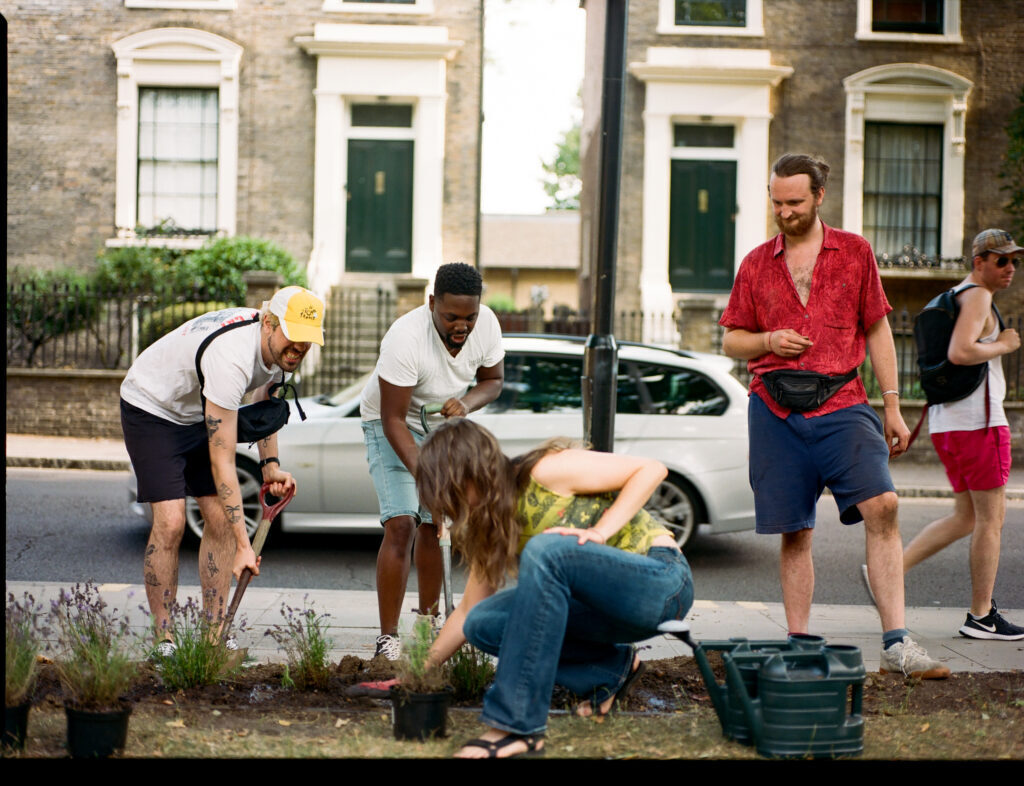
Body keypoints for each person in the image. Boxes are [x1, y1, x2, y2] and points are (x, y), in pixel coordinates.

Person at [719, 152, 949, 679]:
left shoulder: (855, 252)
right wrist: (769, 339)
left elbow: (878, 329)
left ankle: (898, 643)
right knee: (796, 531)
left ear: (819, 196)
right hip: (774, 409)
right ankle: (800, 642)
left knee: (884, 505)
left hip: (843, 401)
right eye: (777, 202)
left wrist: (891, 404)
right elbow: (732, 338)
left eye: (795, 202)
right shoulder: (756, 262)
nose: (785, 211)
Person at [415, 419, 693, 758]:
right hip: (599, 612)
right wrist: (418, 671)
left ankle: (516, 728)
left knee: (547, 550)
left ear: (475, 470)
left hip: (660, 584)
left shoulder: (544, 471)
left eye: (454, 493)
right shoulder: (490, 525)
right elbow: (467, 612)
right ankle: (610, 671)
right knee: (483, 623)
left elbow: (651, 470)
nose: (453, 507)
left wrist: (601, 532)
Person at [120, 286, 325, 655]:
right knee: (170, 521)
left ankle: (213, 635)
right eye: (294, 336)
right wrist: (245, 546)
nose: (300, 347)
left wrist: (270, 467)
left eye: (308, 340)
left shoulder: (280, 354)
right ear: (269, 323)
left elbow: (266, 404)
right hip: (152, 407)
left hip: (196, 411)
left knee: (217, 519)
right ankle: (163, 640)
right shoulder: (231, 359)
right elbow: (223, 462)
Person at [359, 263, 504, 660]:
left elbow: (493, 381)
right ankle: (388, 637)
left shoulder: (486, 326)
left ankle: (428, 624)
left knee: (434, 525)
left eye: (470, 316)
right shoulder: (405, 338)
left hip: (439, 423)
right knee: (403, 523)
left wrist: (467, 403)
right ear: (431, 304)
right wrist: (427, 476)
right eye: (451, 317)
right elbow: (392, 419)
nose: (462, 326)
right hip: (391, 424)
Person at [902, 229, 1023, 641]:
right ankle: (981, 615)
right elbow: (960, 352)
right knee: (992, 520)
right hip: (979, 423)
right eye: (1001, 260)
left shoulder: (955, 295)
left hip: (949, 423)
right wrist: (1005, 345)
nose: (1010, 268)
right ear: (979, 261)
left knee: (965, 516)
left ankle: (887, 569)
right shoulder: (977, 295)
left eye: (1014, 261)